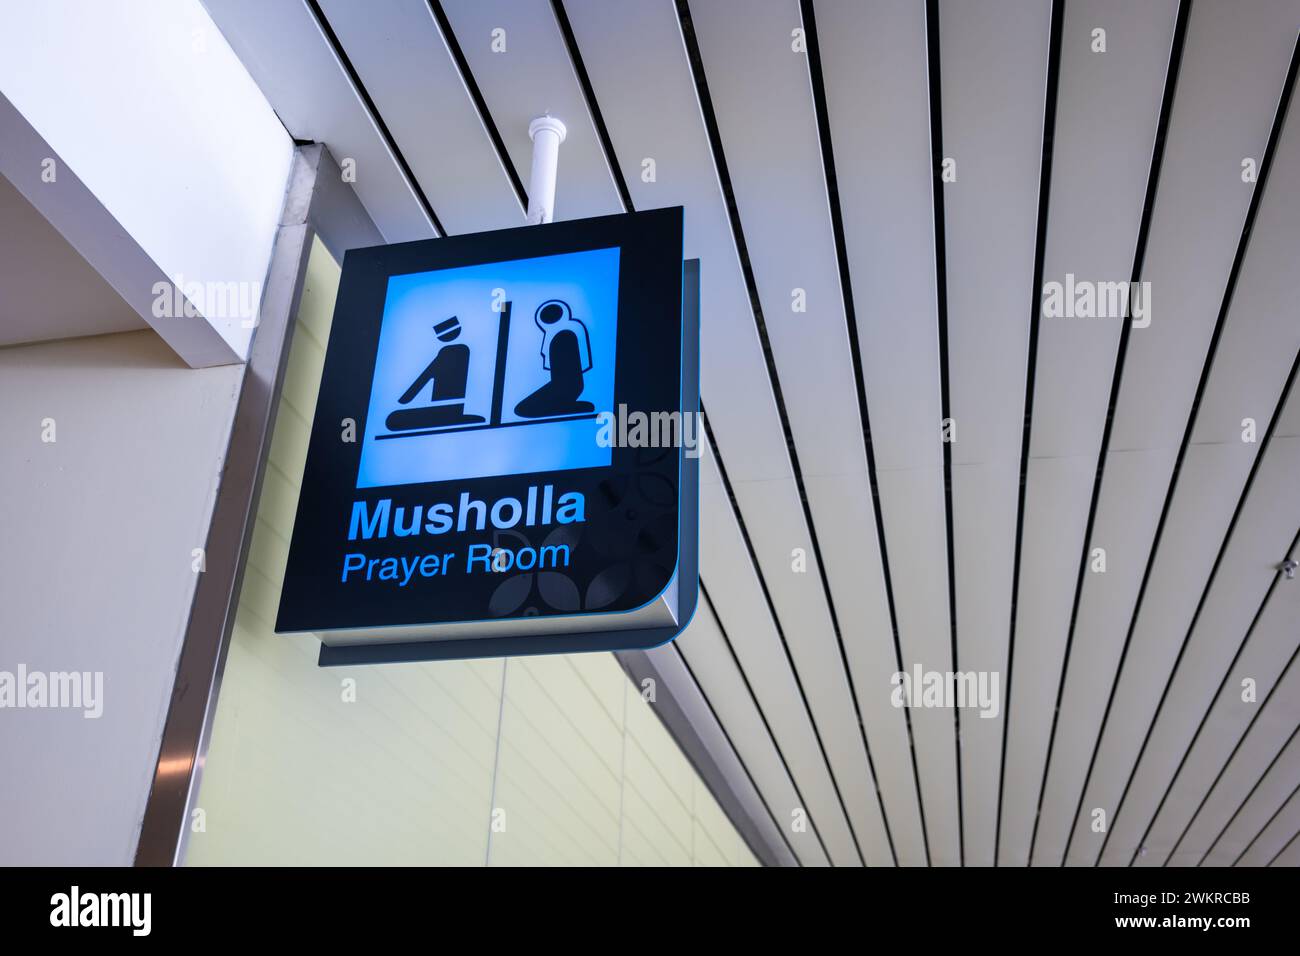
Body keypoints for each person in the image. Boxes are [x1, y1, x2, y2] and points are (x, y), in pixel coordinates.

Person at [385, 316, 485, 431]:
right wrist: (406, 398)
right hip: (443, 409)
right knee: (393, 420)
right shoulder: (455, 351)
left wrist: (406, 398)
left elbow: (424, 378)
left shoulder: (455, 352)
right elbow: (425, 377)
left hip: (450, 409)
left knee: (394, 420)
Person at [514, 299, 595, 419]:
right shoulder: (558, 335)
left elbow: (568, 376)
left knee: (523, 409)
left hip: (566, 386)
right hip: (563, 385)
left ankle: (566, 405)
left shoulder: (563, 336)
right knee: (522, 409)